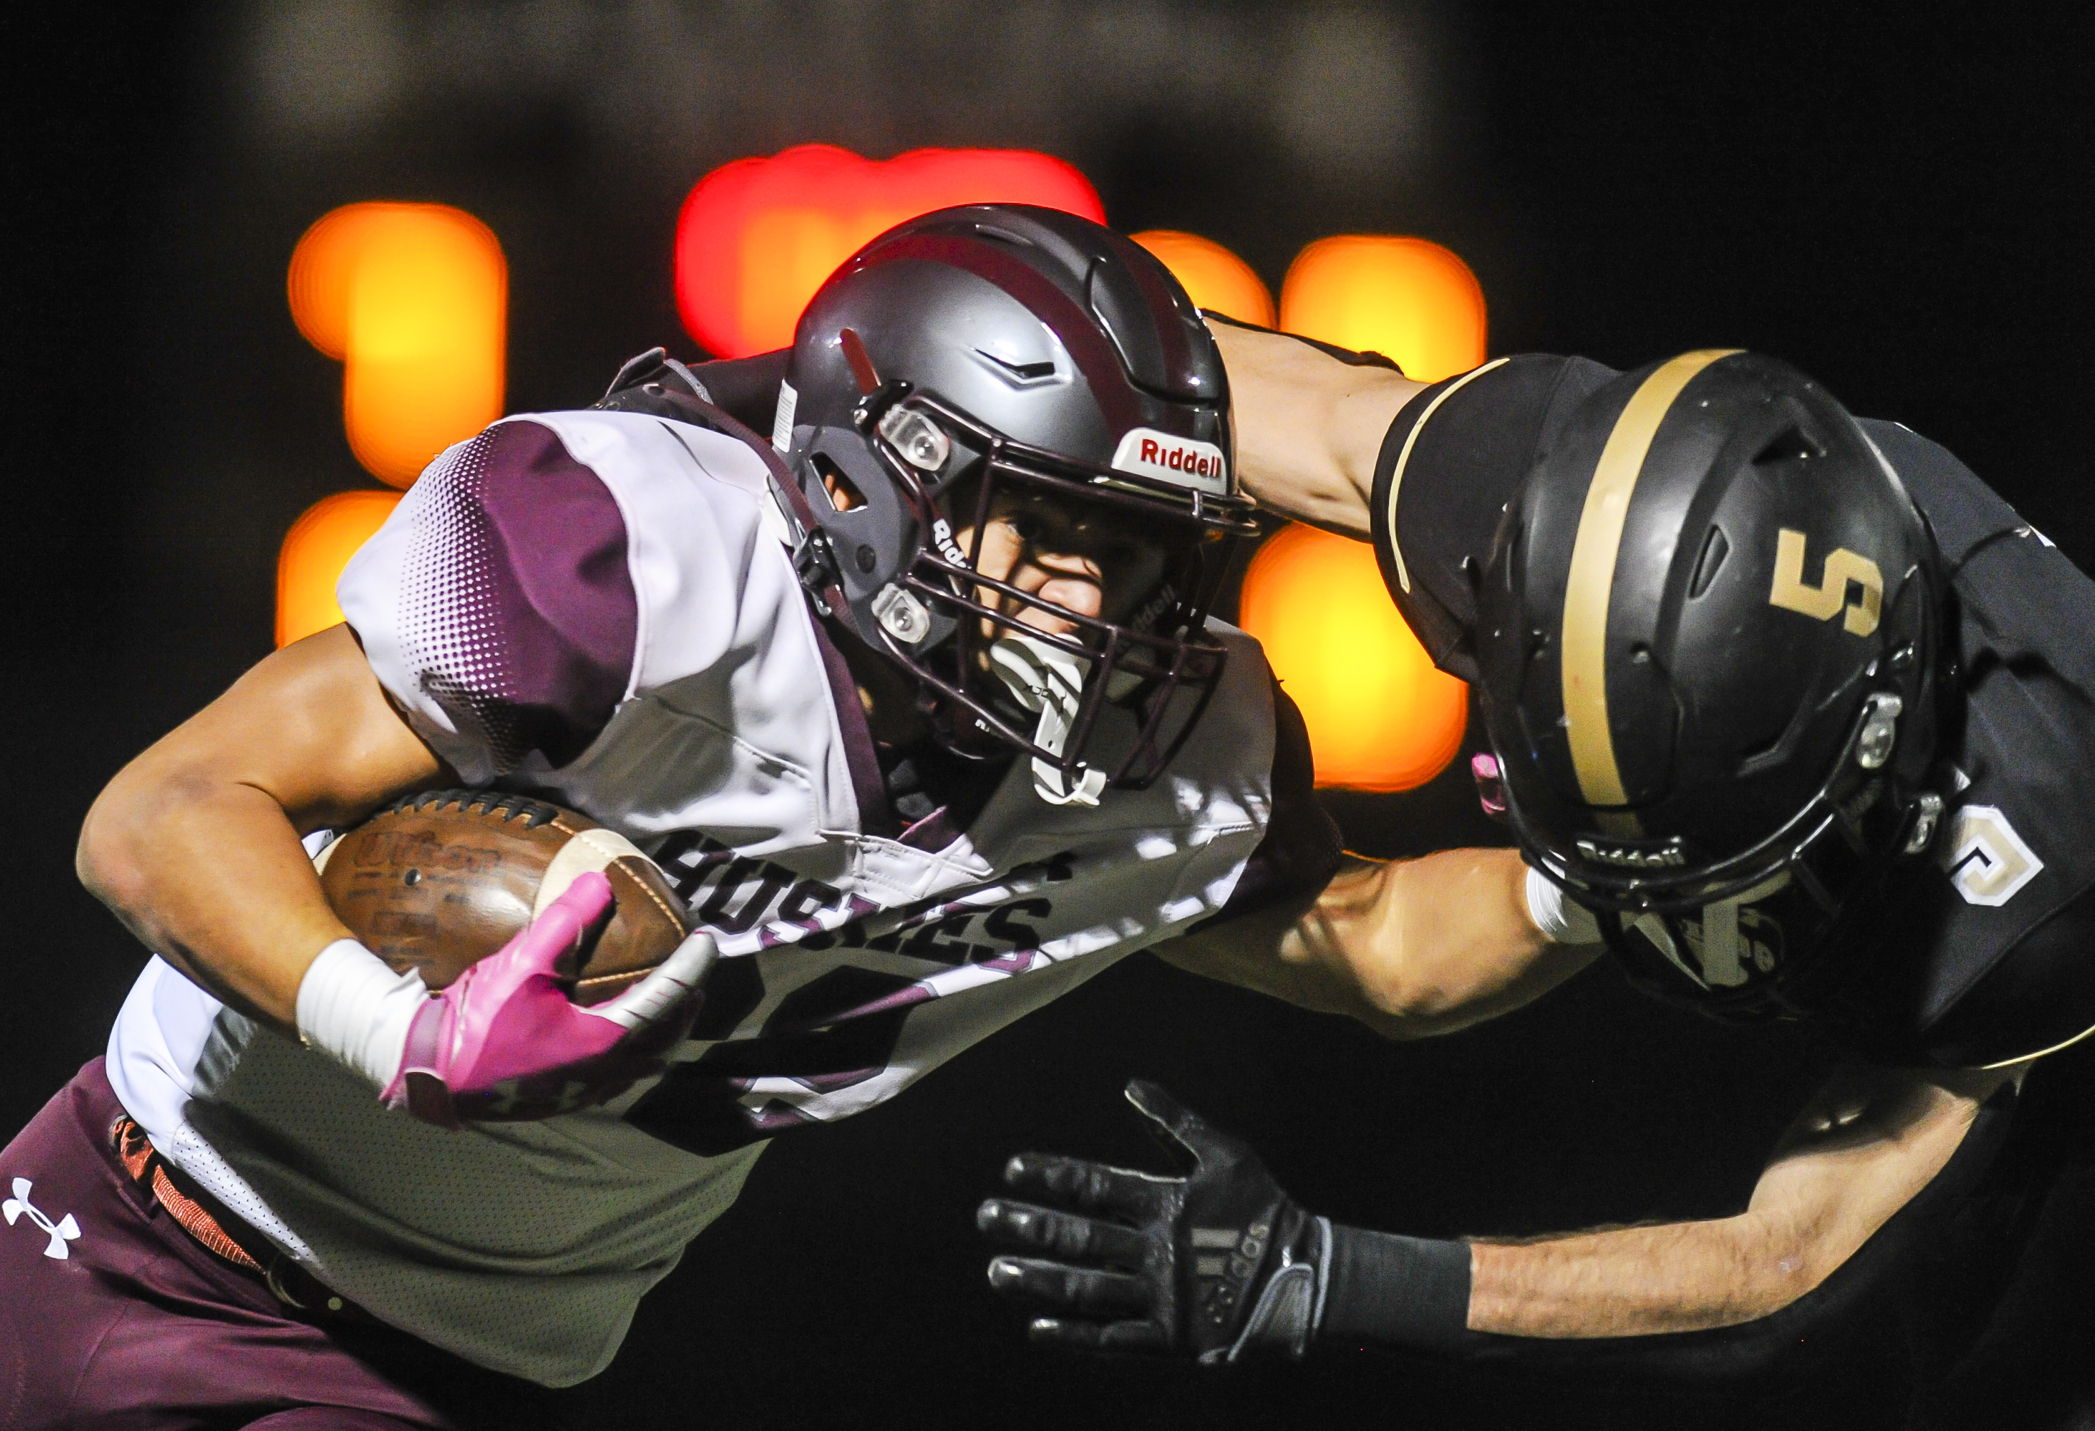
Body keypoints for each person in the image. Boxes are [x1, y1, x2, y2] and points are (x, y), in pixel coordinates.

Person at [0, 205, 1515, 1429]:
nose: (1090, 599)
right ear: (880, 479)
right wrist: (400, 1030)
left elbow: (1384, 948)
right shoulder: (640, 562)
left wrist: (1581, 881)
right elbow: (156, 811)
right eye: (1047, 521)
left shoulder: (1164, 755)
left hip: (448, 1366)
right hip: (129, 1215)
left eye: (1131, 550)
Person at [978, 327, 2095, 1426]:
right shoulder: (1543, 493)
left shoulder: (2050, 877)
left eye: (1711, 878)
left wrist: (1338, 1276)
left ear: (1877, 757)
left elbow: (1784, 1268)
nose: (1674, 935)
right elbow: (1172, 365)